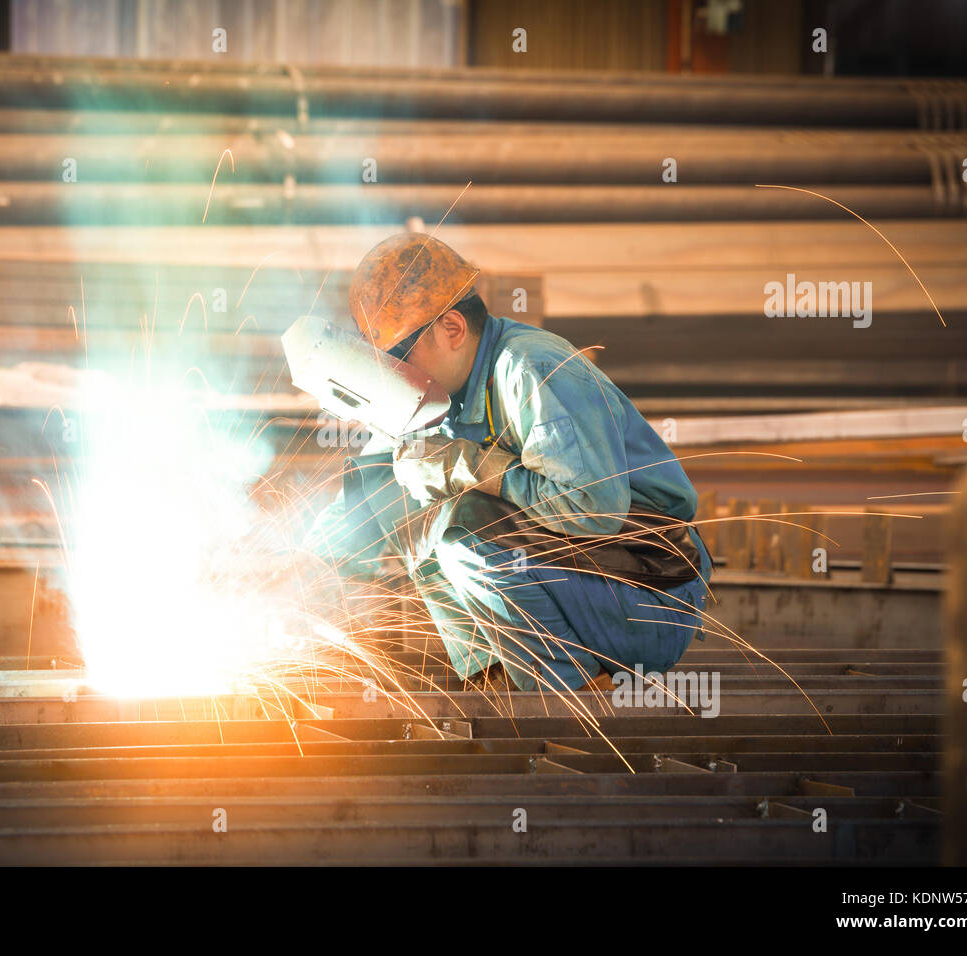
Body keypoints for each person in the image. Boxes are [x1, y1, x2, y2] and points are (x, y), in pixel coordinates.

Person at [302, 232, 712, 694]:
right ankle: (496, 680)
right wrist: (304, 565)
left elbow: (593, 508)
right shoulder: (427, 396)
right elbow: (369, 493)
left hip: (648, 592)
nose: (395, 373)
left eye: (399, 356)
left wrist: (471, 466)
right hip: (587, 584)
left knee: (459, 541)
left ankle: (571, 692)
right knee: (418, 518)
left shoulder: (528, 370)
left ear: (452, 329)